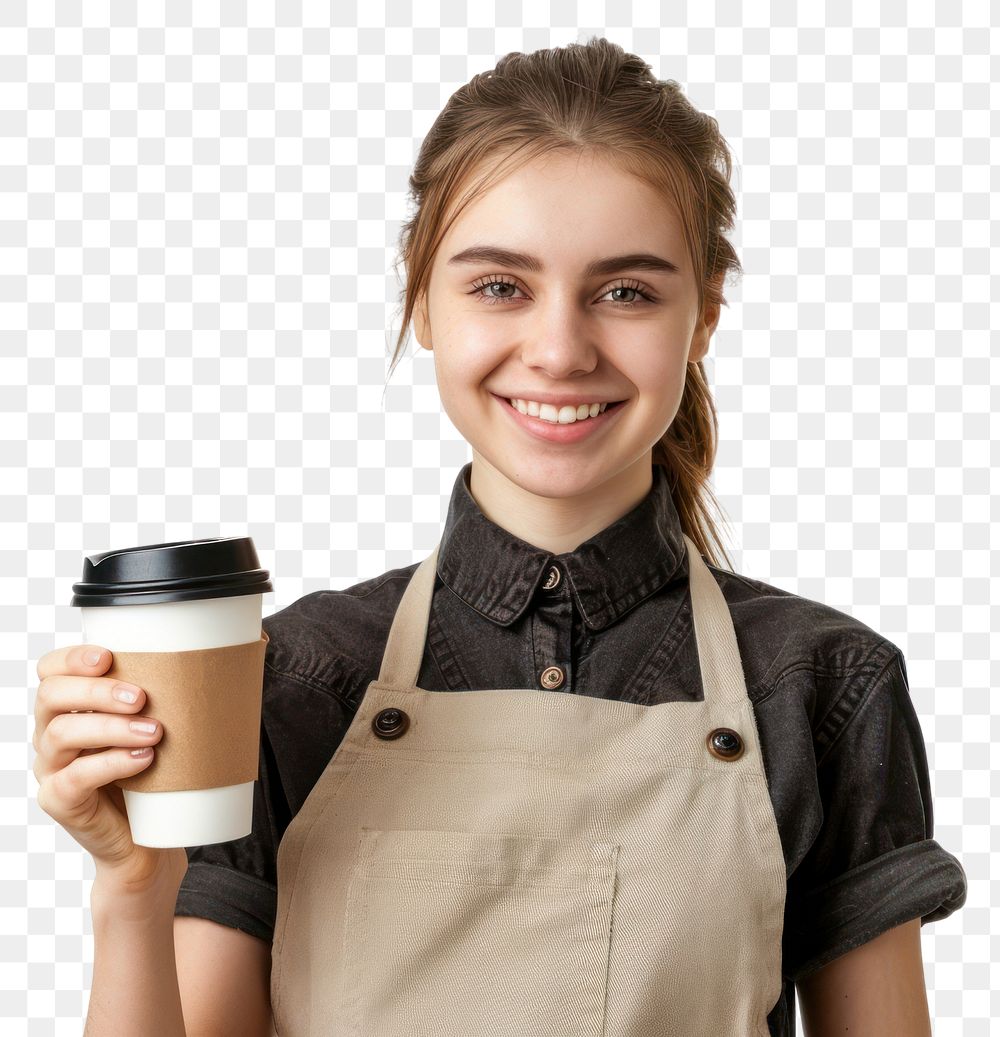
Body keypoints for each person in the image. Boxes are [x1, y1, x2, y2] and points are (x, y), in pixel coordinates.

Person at [32, 37, 966, 1037]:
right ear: (422, 301)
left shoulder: (820, 687)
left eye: (626, 291)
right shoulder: (289, 682)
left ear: (703, 318)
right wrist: (134, 887)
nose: (559, 350)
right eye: (500, 286)